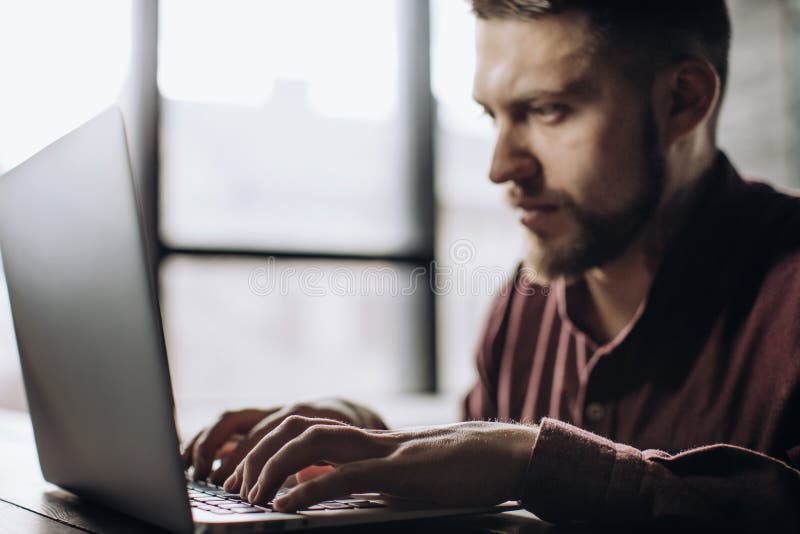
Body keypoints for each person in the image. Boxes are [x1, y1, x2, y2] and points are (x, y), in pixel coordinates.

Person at [182, 1, 800, 530]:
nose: (501, 167)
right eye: (492, 115)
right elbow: (483, 470)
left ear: (682, 101)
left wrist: (532, 463)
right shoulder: (525, 299)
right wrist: (362, 439)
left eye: (547, 110)